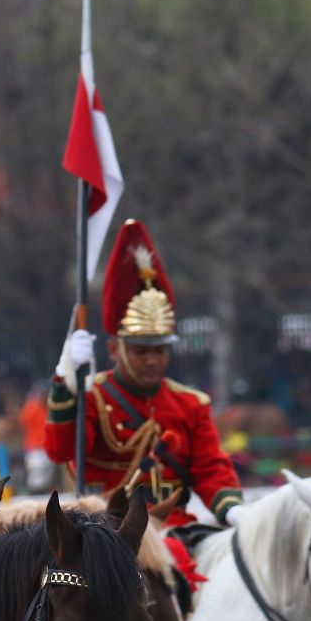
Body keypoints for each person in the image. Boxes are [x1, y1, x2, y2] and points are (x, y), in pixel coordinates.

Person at [44, 220, 243, 526]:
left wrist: (232, 510)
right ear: (114, 350)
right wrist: (66, 382)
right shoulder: (93, 397)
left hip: (174, 528)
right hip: (107, 530)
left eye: (160, 351)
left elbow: (210, 468)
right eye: (140, 352)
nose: (152, 361)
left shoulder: (190, 404)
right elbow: (61, 450)